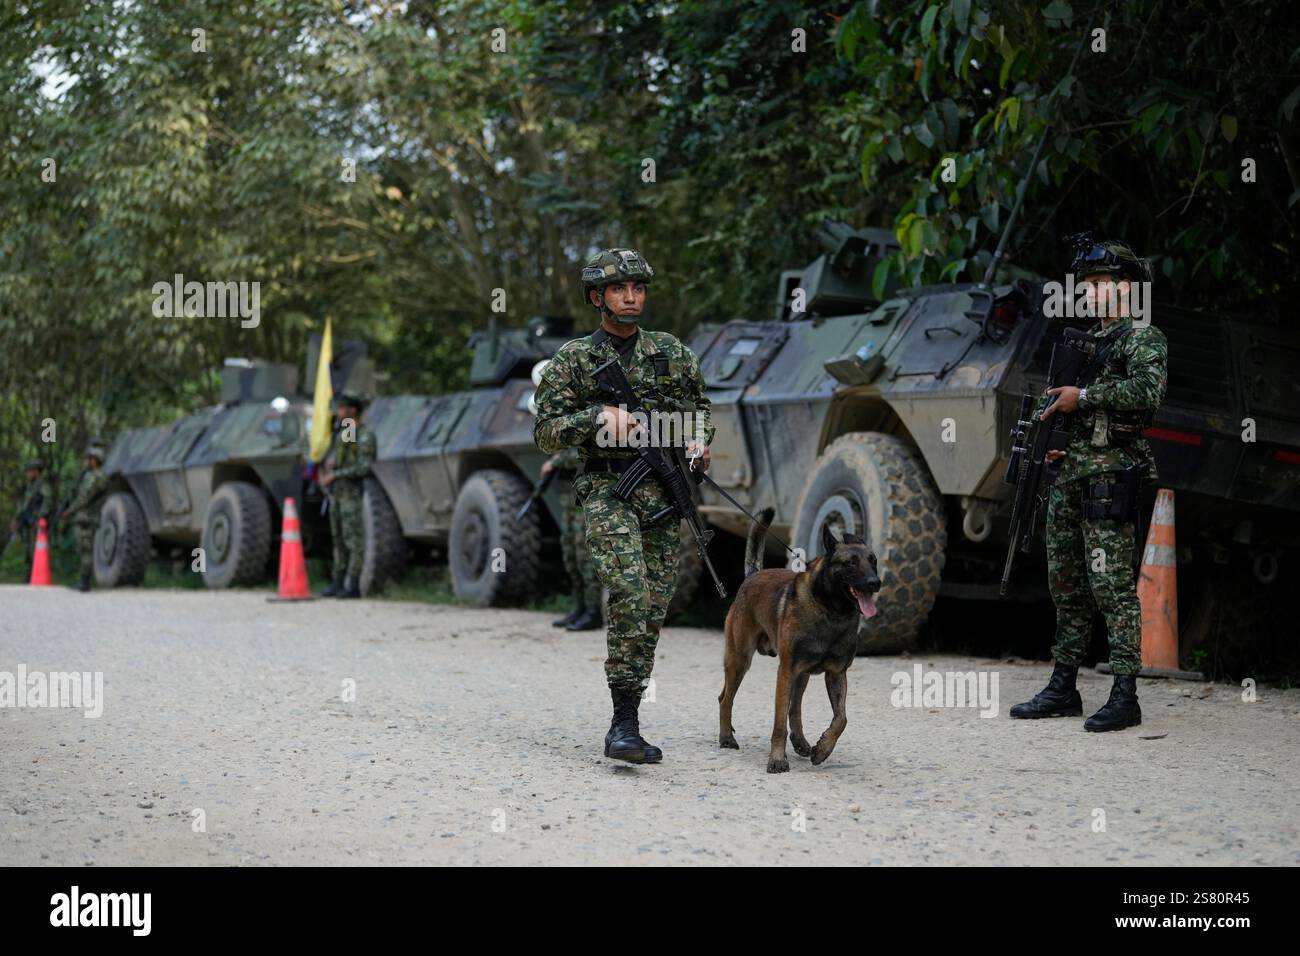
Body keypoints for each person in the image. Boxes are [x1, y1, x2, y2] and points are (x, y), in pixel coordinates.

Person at [534, 247, 714, 763]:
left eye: (637, 289)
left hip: (663, 495)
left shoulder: (671, 352)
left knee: (653, 606)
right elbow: (545, 431)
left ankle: (629, 714)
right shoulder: (574, 359)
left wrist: (699, 442)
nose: (631, 298)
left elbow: (699, 410)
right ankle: (623, 726)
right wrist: (596, 421)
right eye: (619, 290)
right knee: (631, 592)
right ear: (598, 298)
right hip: (608, 490)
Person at [1010, 236, 1167, 732]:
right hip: (1071, 476)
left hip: (1111, 477)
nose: (1092, 292)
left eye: (1101, 283)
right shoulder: (1085, 342)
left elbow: (1147, 392)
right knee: (1067, 586)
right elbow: (1059, 403)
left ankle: (1125, 693)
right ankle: (1064, 686)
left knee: (1112, 588)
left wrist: (1086, 396)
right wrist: (1054, 435)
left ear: (1126, 288)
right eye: (1089, 285)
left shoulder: (1143, 338)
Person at [319, 392, 376, 599]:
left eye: (343, 408)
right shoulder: (349, 431)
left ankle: (353, 585)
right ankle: (338, 581)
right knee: (340, 540)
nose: (339, 412)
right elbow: (344, 458)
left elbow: (364, 467)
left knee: (354, 541)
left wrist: (336, 475)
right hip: (339, 495)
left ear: (353, 410)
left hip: (352, 494)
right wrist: (333, 464)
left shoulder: (365, 435)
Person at [543, 446, 604, 631]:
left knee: (585, 558)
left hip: (586, 503)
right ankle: (580, 607)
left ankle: (593, 612)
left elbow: (582, 454)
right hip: (570, 504)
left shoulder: (590, 420)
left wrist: (555, 461)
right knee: (571, 557)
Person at [60, 446, 109, 592]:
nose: (87, 461)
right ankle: (83, 580)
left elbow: (83, 499)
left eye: (90, 459)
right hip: (86, 517)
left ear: (96, 461)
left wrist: (68, 512)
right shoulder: (90, 476)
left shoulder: (96, 477)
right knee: (83, 549)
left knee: (86, 550)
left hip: (87, 518)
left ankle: (85, 582)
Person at [10, 459, 53, 581]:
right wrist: (16, 519)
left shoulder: (43, 486)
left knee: (36, 551)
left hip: (36, 523)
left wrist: (39, 518)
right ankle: (29, 576)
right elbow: (24, 505)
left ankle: (36, 577)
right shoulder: (30, 487)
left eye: (29, 471)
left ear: (36, 471)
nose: (27, 474)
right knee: (28, 552)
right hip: (28, 522)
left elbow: (47, 503)